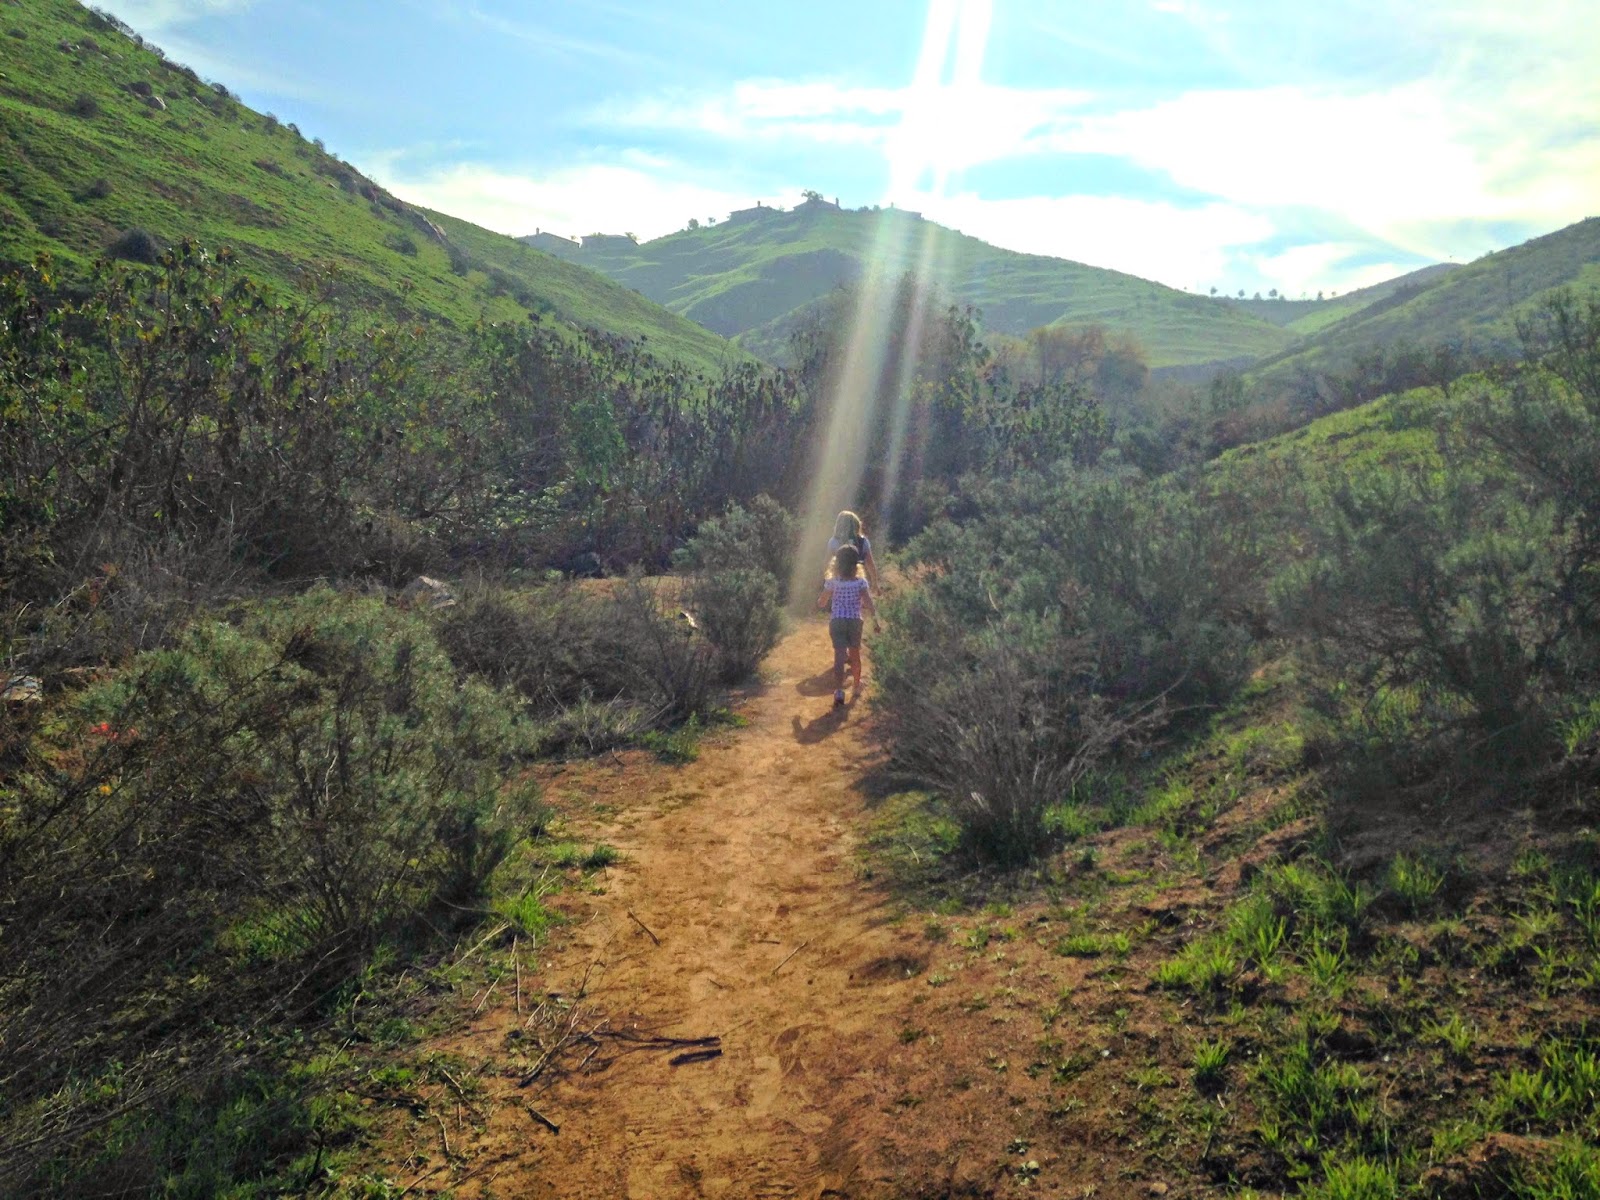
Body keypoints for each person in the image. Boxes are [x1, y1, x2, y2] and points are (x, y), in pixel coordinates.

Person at [817, 543, 879, 709]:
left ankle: (839, 691)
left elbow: (823, 601)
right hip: (854, 621)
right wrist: (875, 618)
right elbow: (868, 602)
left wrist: (821, 602)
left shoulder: (833, 581)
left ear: (837, 563)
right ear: (856, 564)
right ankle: (856, 685)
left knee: (839, 656)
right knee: (855, 654)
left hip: (837, 621)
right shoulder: (860, 583)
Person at [826, 510, 878, 591]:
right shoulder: (863, 542)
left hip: (838, 585)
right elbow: (870, 564)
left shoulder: (834, 542)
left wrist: (827, 583)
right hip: (858, 583)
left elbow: (828, 564)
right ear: (857, 525)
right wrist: (875, 583)